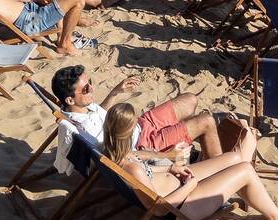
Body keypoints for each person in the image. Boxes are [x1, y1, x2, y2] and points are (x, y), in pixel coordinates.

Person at [102, 103, 278, 220]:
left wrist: (173, 165)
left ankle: (241, 187)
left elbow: (150, 165)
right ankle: (275, 217)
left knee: (235, 157)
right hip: (183, 205)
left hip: (179, 182)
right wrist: (190, 185)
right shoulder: (131, 168)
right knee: (245, 169)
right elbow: (158, 209)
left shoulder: (117, 154)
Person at [50, 65, 226, 174]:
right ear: (70, 100)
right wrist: (167, 155)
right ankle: (219, 173)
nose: (92, 89)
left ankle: (202, 153)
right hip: (145, 143)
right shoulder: (83, 131)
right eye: (86, 89)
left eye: (90, 83)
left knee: (190, 99)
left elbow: (99, 114)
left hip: (141, 124)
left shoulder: (78, 110)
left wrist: (114, 93)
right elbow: (120, 155)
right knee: (206, 121)